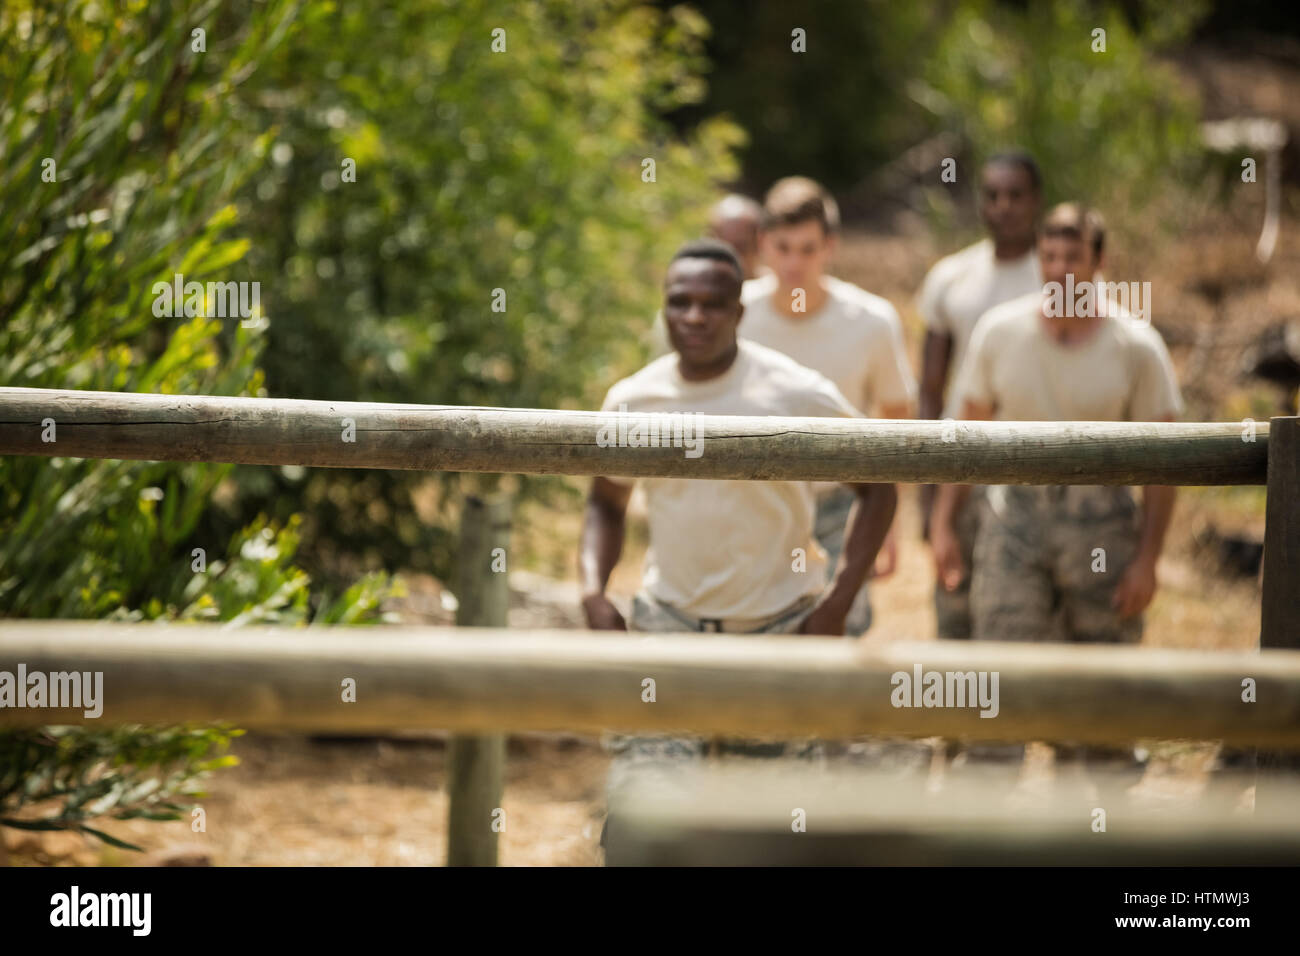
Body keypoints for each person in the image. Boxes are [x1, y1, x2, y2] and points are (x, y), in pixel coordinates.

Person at [581, 239, 897, 840]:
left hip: (777, 632)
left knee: (775, 832)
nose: (694, 317)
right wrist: (593, 591)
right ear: (664, 310)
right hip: (669, 632)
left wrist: (837, 603)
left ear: (739, 313)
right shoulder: (633, 400)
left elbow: (879, 484)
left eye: (712, 304)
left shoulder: (794, 394)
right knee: (638, 823)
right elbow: (605, 498)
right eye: (680, 302)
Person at [930, 203, 1182, 791]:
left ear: (1099, 261)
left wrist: (1148, 558)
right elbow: (965, 434)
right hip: (1012, 524)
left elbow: (1169, 460)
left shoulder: (1135, 345)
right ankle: (979, 835)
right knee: (995, 684)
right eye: (1050, 255)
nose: (1060, 267)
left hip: (1102, 531)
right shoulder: (1001, 330)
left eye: (1074, 256)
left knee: (1101, 699)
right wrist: (944, 525)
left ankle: (1097, 832)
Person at [738, 176, 916, 634]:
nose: (794, 262)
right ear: (762, 245)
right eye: (783, 247)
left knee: (840, 631)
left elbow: (894, 418)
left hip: (842, 503)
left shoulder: (871, 320)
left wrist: (888, 526)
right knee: (751, 632)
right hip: (755, 502)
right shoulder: (733, 315)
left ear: (830, 247)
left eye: (807, 248)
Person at [917, 151, 1044, 640]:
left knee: (1018, 616)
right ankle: (956, 708)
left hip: (1032, 463)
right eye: (993, 195)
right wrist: (929, 491)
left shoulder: (1055, 276)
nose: (1004, 206)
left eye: (1015, 195)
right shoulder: (951, 278)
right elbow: (931, 388)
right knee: (955, 606)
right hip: (961, 462)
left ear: (1036, 200)